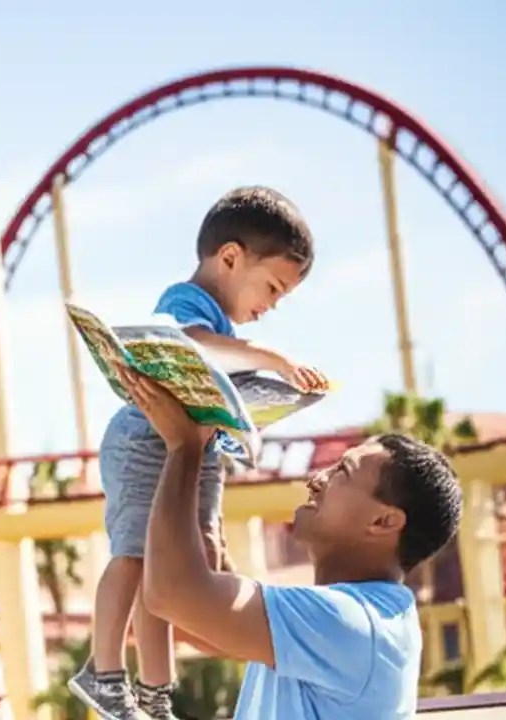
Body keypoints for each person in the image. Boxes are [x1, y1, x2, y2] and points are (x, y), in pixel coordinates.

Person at [69, 186, 329, 720]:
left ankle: (155, 693)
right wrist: (271, 359)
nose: (270, 306)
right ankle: (102, 669)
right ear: (230, 258)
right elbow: (189, 342)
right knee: (134, 556)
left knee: (166, 574)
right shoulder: (190, 303)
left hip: (193, 452)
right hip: (147, 443)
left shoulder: (228, 328)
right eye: (272, 288)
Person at [113, 364, 460, 719]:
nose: (317, 478)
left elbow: (172, 594)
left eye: (342, 472)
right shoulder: (365, 618)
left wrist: (184, 447)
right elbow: (200, 623)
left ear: (384, 521)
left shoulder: (353, 622)